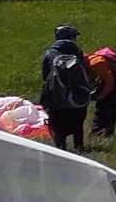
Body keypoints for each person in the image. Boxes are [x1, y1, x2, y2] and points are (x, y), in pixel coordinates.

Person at [39, 25, 96, 153]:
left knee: (56, 122)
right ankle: (79, 147)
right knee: (78, 121)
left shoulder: (49, 53)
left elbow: (45, 75)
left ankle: (60, 149)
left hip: (55, 94)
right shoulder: (78, 52)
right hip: (77, 93)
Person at [85, 46, 116, 140]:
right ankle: (103, 133)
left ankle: (101, 134)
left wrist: (102, 95)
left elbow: (109, 82)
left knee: (108, 107)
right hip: (111, 79)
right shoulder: (89, 62)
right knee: (104, 108)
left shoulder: (96, 63)